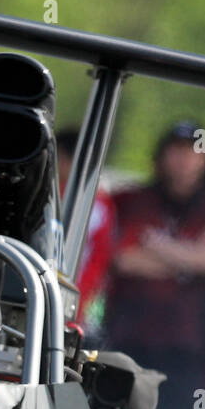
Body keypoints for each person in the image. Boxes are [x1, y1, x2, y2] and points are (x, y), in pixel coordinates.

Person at [106, 121, 205, 409]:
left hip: (185, 343)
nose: (184, 160)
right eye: (176, 152)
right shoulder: (133, 201)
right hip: (129, 333)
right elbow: (125, 259)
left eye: (193, 153)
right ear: (162, 156)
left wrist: (158, 244)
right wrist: (188, 258)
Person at [55, 127, 117, 342]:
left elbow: (97, 261)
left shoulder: (95, 204)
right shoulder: (98, 203)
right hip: (71, 301)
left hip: (70, 303)